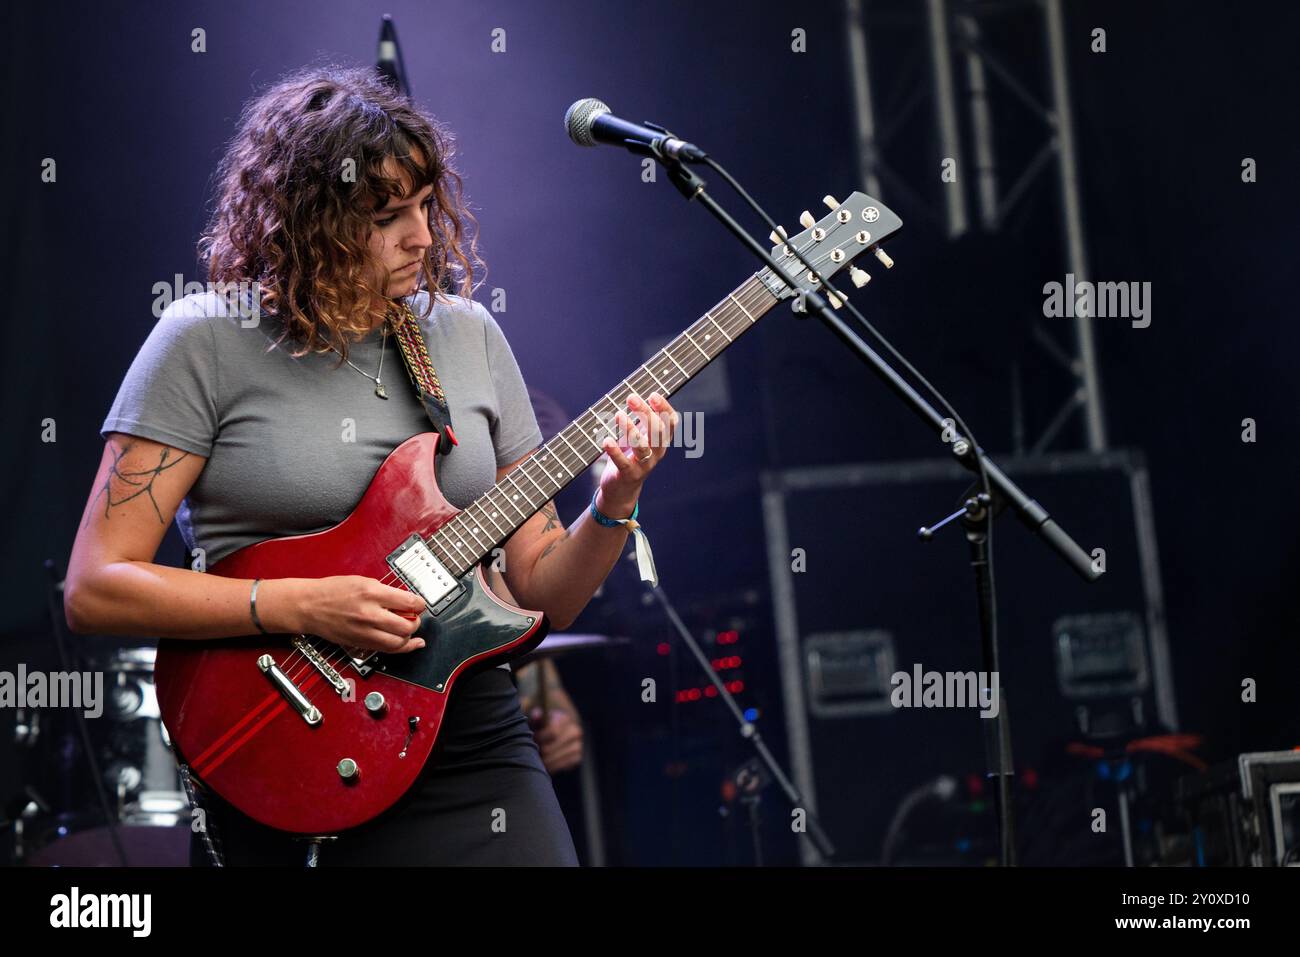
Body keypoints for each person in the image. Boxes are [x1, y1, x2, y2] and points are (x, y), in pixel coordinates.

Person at [62, 64, 677, 866]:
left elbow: (541, 594)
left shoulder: (467, 336)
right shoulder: (202, 340)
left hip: (466, 738)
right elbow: (96, 586)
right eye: (388, 215)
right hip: (285, 739)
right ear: (304, 221)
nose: (422, 236)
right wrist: (304, 604)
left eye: (425, 205)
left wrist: (615, 500)